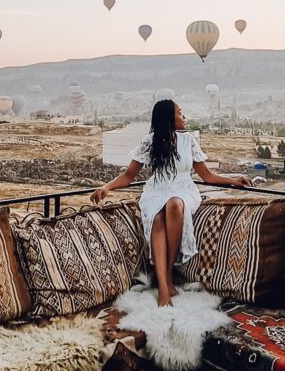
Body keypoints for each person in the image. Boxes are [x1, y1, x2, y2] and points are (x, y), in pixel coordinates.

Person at [91, 99, 251, 306]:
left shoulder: (189, 141)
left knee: (175, 204)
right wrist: (106, 188)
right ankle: (165, 288)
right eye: (180, 113)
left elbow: (206, 175)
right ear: (168, 118)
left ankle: (165, 276)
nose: (183, 117)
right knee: (158, 219)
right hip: (156, 191)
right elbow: (129, 175)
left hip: (183, 190)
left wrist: (234, 180)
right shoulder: (150, 142)